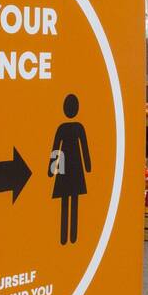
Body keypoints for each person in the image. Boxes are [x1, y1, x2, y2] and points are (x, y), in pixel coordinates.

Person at [48, 94, 91, 245]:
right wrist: (87, 166)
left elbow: (56, 149)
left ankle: (64, 237)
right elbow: (84, 148)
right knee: (74, 199)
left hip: (64, 165)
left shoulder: (62, 128)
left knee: (65, 200)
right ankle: (72, 235)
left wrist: (51, 169)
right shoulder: (79, 127)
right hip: (76, 165)